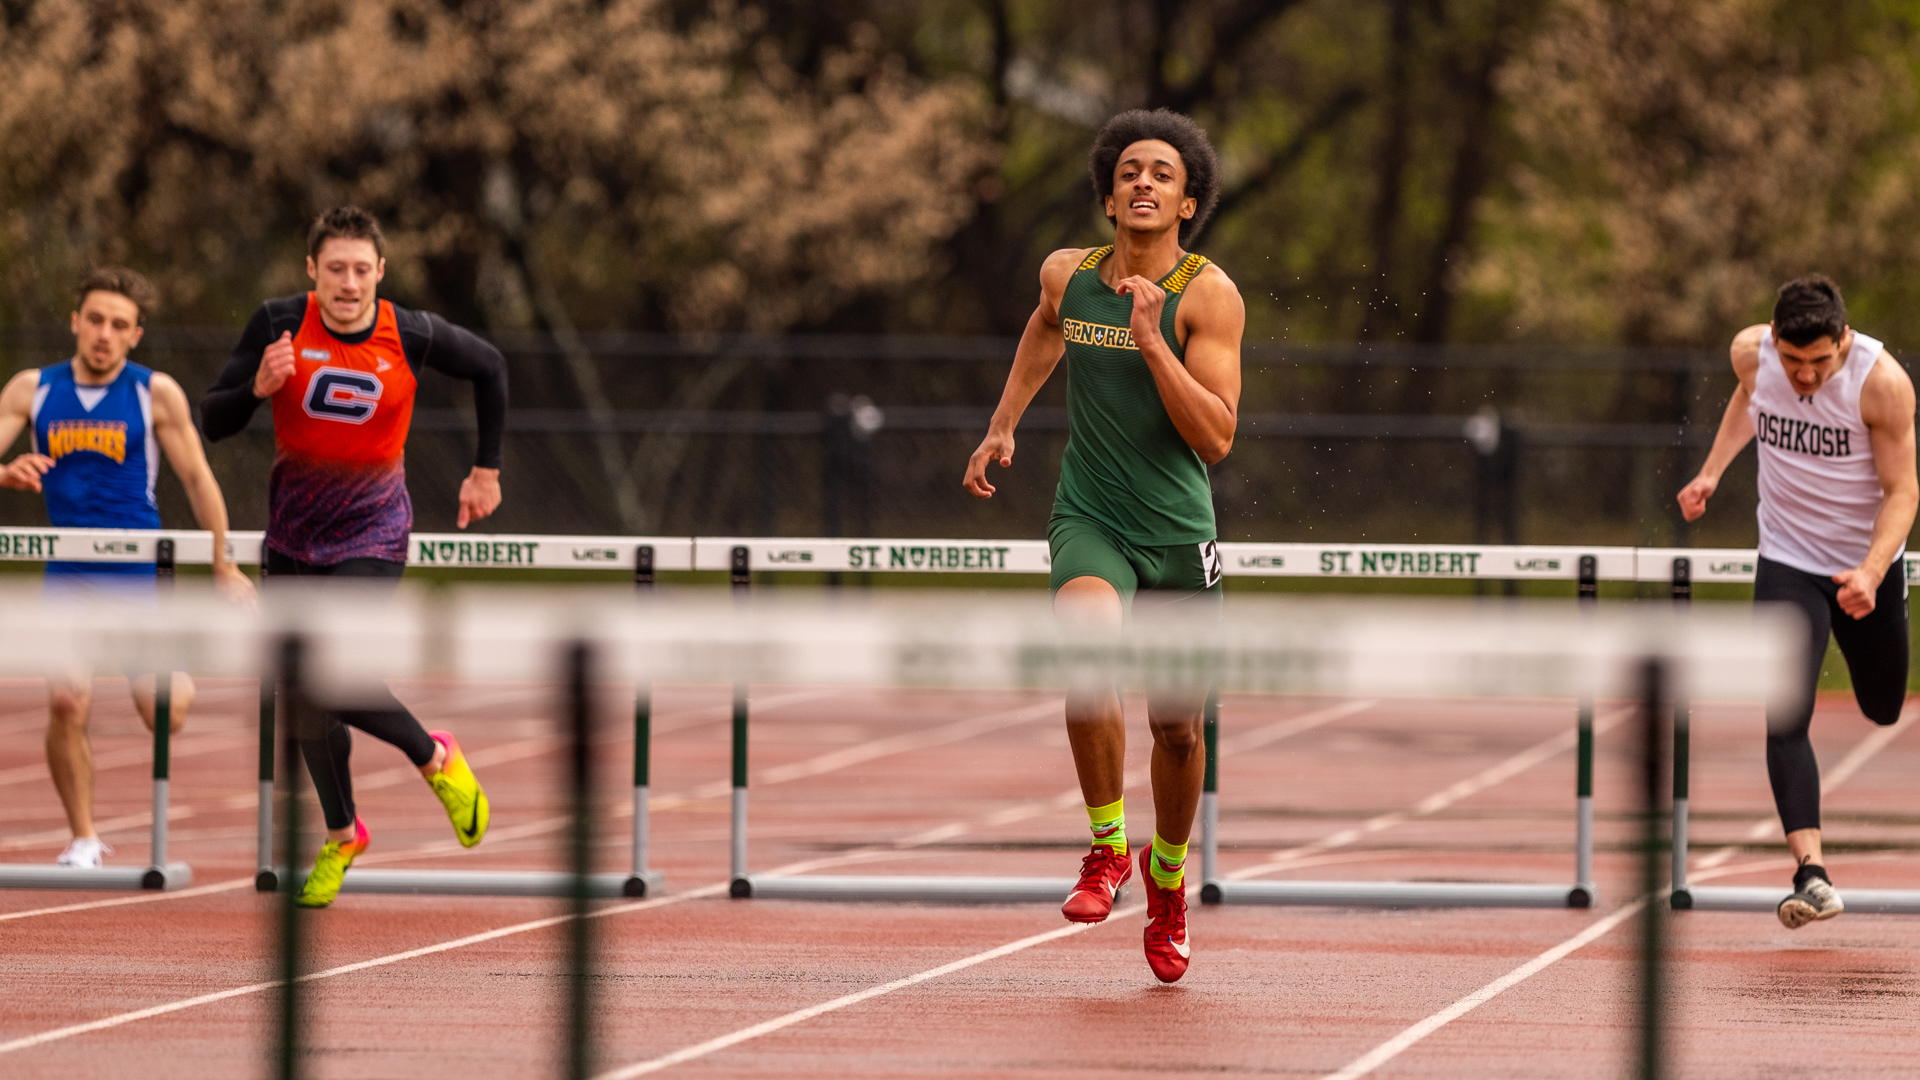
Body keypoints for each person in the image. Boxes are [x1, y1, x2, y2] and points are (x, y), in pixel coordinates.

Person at [964, 109, 1243, 982]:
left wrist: (1154, 343)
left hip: (1179, 536)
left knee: (1179, 728)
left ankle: (1167, 881)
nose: (1144, 182)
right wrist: (1003, 424)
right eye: (1129, 171)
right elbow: (1047, 326)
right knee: (1086, 653)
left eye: (1163, 172)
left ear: (1187, 201)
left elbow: (1218, 438)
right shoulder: (1068, 274)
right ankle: (1106, 849)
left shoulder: (1209, 293)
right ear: (1109, 195)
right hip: (1091, 517)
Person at [202, 206, 509, 907]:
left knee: (329, 667)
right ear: (313, 270)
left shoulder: (411, 332)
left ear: (380, 273)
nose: (348, 283)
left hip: (372, 530)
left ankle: (435, 757)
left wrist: (486, 470)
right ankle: (344, 834)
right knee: (305, 700)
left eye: (361, 270)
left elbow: (491, 367)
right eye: (335, 269)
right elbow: (213, 419)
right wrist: (257, 389)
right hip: (292, 537)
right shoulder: (278, 322)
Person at [1678, 274, 1917, 929]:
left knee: (1883, 705)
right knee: (1784, 712)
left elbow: (1903, 492)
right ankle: (1811, 872)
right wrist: (1712, 471)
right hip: (1786, 558)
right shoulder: (1751, 354)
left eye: (1819, 362)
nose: (1805, 376)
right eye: (1793, 361)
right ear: (1774, 340)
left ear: (1844, 340)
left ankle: (1870, 620)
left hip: (1862, 568)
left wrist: (1870, 572)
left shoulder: (1882, 384)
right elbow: (1748, 399)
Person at [0, 267, 256, 868]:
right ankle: (84, 837)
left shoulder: (153, 392)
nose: (104, 335)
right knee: (66, 700)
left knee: (165, 715)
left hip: (140, 572)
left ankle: (174, 665)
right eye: (95, 321)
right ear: (75, 322)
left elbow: (197, 477)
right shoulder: (31, 389)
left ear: (135, 334)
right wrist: (5, 474)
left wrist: (224, 565)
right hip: (68, 569)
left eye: (118, 325)